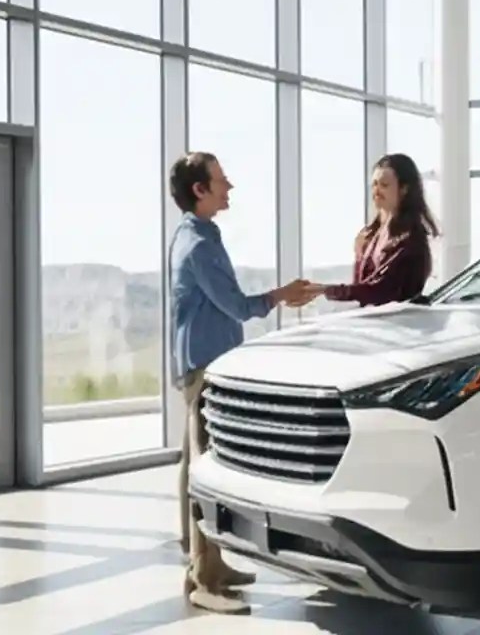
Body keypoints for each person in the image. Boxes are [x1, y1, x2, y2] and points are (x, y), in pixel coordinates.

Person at [168, 151, 316, 614]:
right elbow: (234, 305)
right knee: (205, 469)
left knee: (194, 463)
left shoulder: (200, 235)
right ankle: (203, 577)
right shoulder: (198, 245)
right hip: (205, 368)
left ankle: (209, 560)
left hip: (204, 364)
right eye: (220, 179)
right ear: (200, 190)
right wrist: (281, 296)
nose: (228, 186)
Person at [311, 153, 439, 305]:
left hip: (399, 324)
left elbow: (381, 291)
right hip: (371, 323)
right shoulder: (368, 236)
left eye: (384, 185)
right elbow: (362, 289)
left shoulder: (412, 240)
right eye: (374, 184)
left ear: (404, 189)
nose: (376, 191)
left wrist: (325, 290)